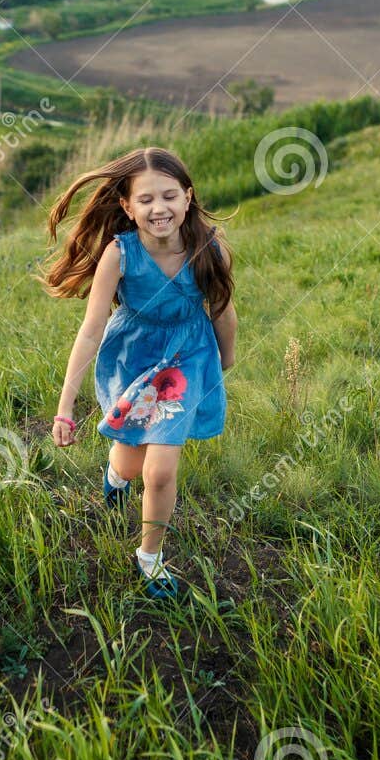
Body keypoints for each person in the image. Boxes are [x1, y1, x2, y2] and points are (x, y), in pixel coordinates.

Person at [37, 146, 237, 598]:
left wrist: (224, 360)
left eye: (169, 196)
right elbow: (90, 331)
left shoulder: (210, 247)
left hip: (186, 360)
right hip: (133, 357)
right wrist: (65, 407)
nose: (159, 208)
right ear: (127, 207)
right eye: (145, 200)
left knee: (161, 470)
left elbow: (224, 311)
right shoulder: (119, 253)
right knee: (130, 462)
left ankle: (149, 557)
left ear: (187, 197)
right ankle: (114, 479)